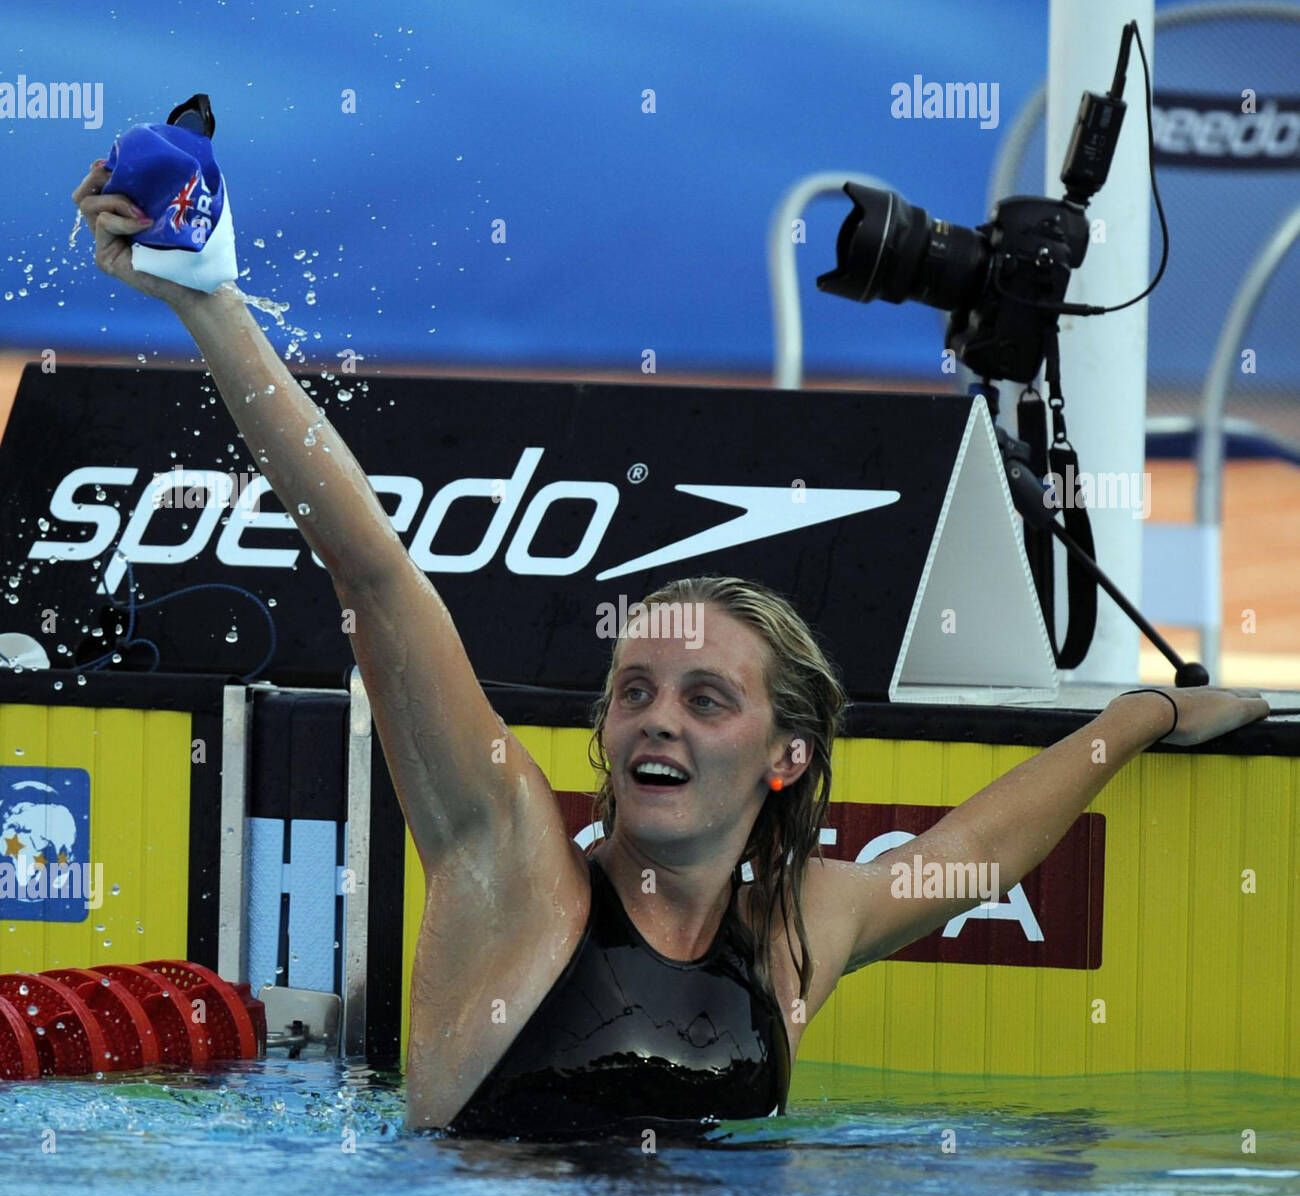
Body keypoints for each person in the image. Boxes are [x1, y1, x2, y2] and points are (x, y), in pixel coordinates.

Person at [72, 161, 1271, 1141]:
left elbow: (976, 851)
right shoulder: (514, 872)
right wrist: (211, 305)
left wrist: (1141, 717)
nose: (657, 719)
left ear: (785, 756)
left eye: (707, 700)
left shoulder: (799, 935)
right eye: (636, 691)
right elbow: (379, 579)